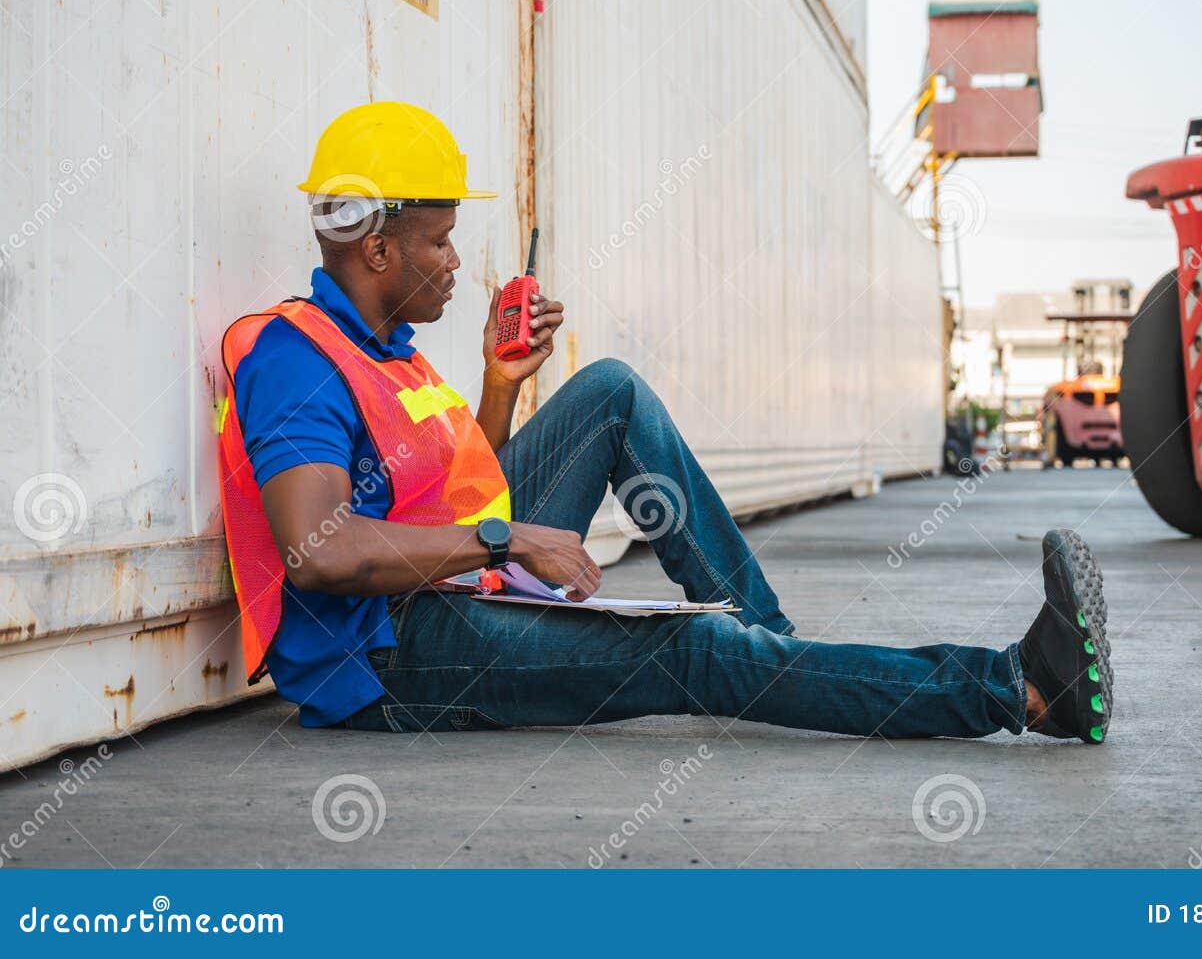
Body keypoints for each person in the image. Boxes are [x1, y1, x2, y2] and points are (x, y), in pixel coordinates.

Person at [217, 102, 1114, 742]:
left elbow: (449, 489)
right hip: (392, 654)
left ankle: (777, 646)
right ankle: (1024, 689)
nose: (456, 260)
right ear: (376, 246)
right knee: (694, 651)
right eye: (439, 239)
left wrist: (499, 385)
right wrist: (507, 538)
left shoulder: (386, 348)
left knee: (609, 391)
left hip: (440, 581)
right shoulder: (296, 361)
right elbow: (322, 552)